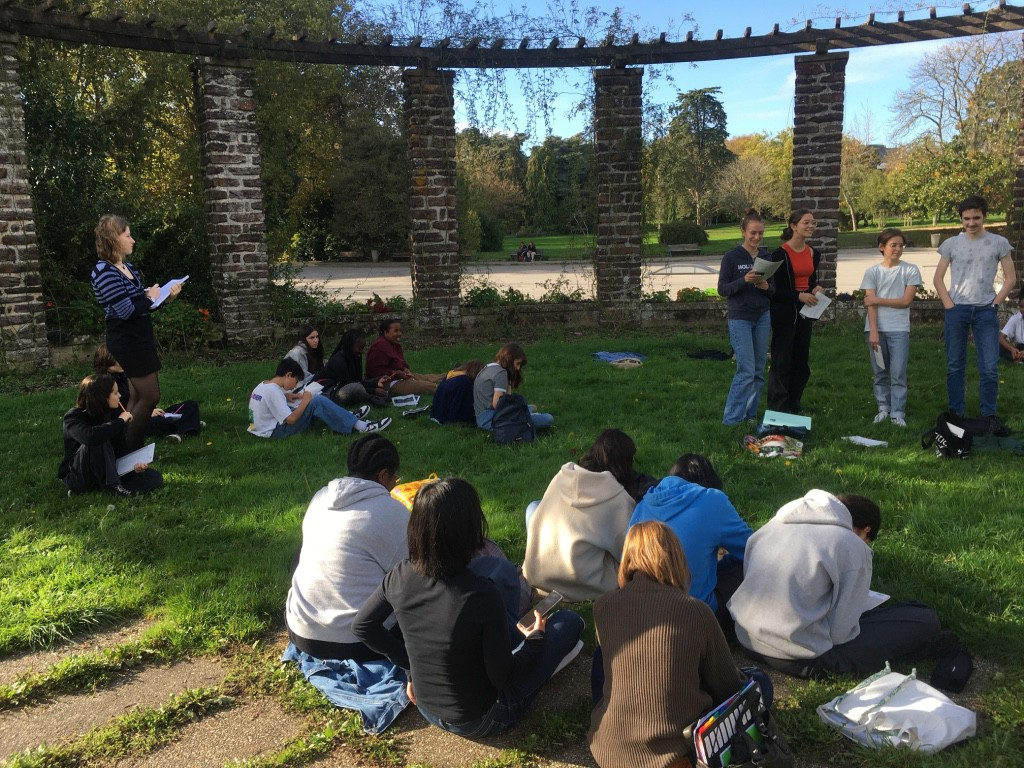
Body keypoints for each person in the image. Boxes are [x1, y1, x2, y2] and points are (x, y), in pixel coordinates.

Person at [353, 478, 585, 739]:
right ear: (469, 530)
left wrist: (410, 668)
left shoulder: (400, 575)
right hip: (484, 718)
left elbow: (363, 626)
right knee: (569, 621)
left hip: (427, 708)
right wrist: (536, 641)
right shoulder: (479, 595)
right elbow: (504, 677)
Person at [728, 490, 948, 679]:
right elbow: (841, 633)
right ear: (866, 531)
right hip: (797, 655)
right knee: (923, 619)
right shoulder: (850, 544)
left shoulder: (772, 525)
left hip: (745, 637)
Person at [588, 521, 749, 768]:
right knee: (759, 682)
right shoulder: (696, 611)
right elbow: (729, 687)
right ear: (676, 558)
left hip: (608, 750)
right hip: (670, 757)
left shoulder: (603, 605)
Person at [286, 435, 408, 662]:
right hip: (361, 643)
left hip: (300, 631)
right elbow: (412, 578)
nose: (394, 484)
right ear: (383, 475)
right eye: (394, 478)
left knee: (302, 551)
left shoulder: (320, 497)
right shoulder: (393, 513)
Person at [90, 214, 182, 451]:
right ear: (113, 239)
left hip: (140, 338)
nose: (133, 240)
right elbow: (126, 310)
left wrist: (165, 297)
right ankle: (132, 448)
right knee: (150, 396)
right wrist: (148, 296)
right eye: (127, 236)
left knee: (136, 397)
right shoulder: (104, 272)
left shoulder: (127, 268)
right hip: (127, 340)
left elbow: (144, 307)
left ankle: (123, 449)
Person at [628, 454, 752, 628]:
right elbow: (752, 549)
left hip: (639, 610)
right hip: (693, 614)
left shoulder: (643, 504)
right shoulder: (712, 500)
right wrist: (724, 563)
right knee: (750, 571)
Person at [523, 429, 639, 600]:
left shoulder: (563, 475)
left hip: (536, 575)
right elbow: (628, 552)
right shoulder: (618, 498)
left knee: (535, 506)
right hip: (580, 584)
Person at [933, 195, 1017, 434]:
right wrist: (949, 304)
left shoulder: (998, 242)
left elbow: (1011, 278)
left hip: (985, 311)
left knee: (989, 366)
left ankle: (988, 414)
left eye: (976, 218)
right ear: (961, 219)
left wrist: (995, 303)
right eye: (967, 218)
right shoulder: (951, 244)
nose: (971, 223)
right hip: (956, 310)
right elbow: (938, 278)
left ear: (984, 217)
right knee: (954, 364)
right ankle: (956, 413)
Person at [59, 373, 163, 497]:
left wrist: (134, 466)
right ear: (102, 397)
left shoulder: (111, 414)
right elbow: (90, 437)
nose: (119, 396)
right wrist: (120, 422)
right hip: (80, 473)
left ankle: (109, 485)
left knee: (154, 477)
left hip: (108, 467)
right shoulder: (74, 417)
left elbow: (119, 447)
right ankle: (113, 487)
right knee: (98, 439)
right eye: (115, 393)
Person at [718, 208, 775, 425]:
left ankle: (750, 415)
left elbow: (773, 291)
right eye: (753, 233)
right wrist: (744, 280)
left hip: (762, 316)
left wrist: (765, 285)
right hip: (740, 317)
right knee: (746, 370)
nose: (757, 238)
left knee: (759, 371)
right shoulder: (732, 257)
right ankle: (732, 419)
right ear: (743, 232)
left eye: (760, 233)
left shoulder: (766, 256)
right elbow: (723, 289)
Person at [860, 229, 922, 428]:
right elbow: (870, 305)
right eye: (893, 245)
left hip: (899, 329)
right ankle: (883, 408)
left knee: (898, 371)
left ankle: (898, 412)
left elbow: (905, 301)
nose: (897, 249)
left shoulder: (910, 270)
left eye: (901, 245)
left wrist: (877, 299)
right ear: (882, 247)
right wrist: (874, 330)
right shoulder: (872, 272)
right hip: (876, 328)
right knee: (880, 371)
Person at [767, 209, 825, 414]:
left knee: (801, 362)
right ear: (793, 226)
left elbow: (810, 281)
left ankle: (794, 404)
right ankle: (778, 408)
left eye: (813, 223)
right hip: (785, 313)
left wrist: (815, 289)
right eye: (806, 223)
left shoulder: (813, 253)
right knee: (782, 361)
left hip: (806, 311)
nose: (810, 226)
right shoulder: (779, 254)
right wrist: (798, 296)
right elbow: (774, 291)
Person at [248, 358, 391, 439]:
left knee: (309, 402)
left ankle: (346, 417)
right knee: (316, 400)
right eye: (296, 381)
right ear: (289, 375)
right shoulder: (274, 391)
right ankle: (361, 426)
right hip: (275, 432)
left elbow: (265, 400)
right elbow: (291, 420)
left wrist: (286, 396)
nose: (295, 386)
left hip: (259, 428)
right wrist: (305, 400)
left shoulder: (264, 384)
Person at [93, 344, 203, 443]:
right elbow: (116, 412)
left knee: (190, 405)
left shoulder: (126, 375)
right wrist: (147, 412)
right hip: (132, 421)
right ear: (108, 361)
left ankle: (187, 422)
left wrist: (151, 409)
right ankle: (185, 428)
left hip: (146, 413)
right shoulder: (105, 383)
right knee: (161, 422)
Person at [473, 342, 553, 432]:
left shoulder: (487, 368)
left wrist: (508, 382)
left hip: (480, 418)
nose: (518, 368)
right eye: (517, 364)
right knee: (548, 418)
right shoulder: (501, 373)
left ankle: (527, 410)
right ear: (509, 360)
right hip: (492, 420)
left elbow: (506, 398)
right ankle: (527, 412)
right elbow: (498, 404)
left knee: (522, 407)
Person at [364, 318, 443, 396]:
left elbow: (401, 362)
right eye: (396, 331)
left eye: (400, 330)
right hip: (387, 383)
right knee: (426, 386)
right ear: (385, 332)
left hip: (400, 377)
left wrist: (405, 369)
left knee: (428, 377)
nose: (400, 333)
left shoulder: (394, 344)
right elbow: (375, 371)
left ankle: (450, 376)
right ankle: (445, 388)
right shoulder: (379, 347)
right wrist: (396, 373)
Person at [321, 329, 390, 406]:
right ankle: (374, 400)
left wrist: (377, 381)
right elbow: (348, 385)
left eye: (362, 348)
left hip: (353, 388)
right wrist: (373, 390)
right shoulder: (338, 361)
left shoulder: (354, 357)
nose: (361, 351)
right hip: (336, 394)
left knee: (384, 379)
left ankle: (384, 396)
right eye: (359, 348)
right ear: (350, 346)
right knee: (356, 387)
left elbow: (359, 381)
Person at [430, 360, 484, 425]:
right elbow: (459, 405)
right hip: (446, 417)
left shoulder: (451, 376)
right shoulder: (464, 382)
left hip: (436, 413)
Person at [999, 294, 1024, 362]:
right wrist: (1012, 349)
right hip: (1020, 347)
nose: (1023, 310)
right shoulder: (1015, 318)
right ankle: (1018, 358)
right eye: (1021, 306)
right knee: (998, 345)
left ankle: (1018, 360)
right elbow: (1001, 338)